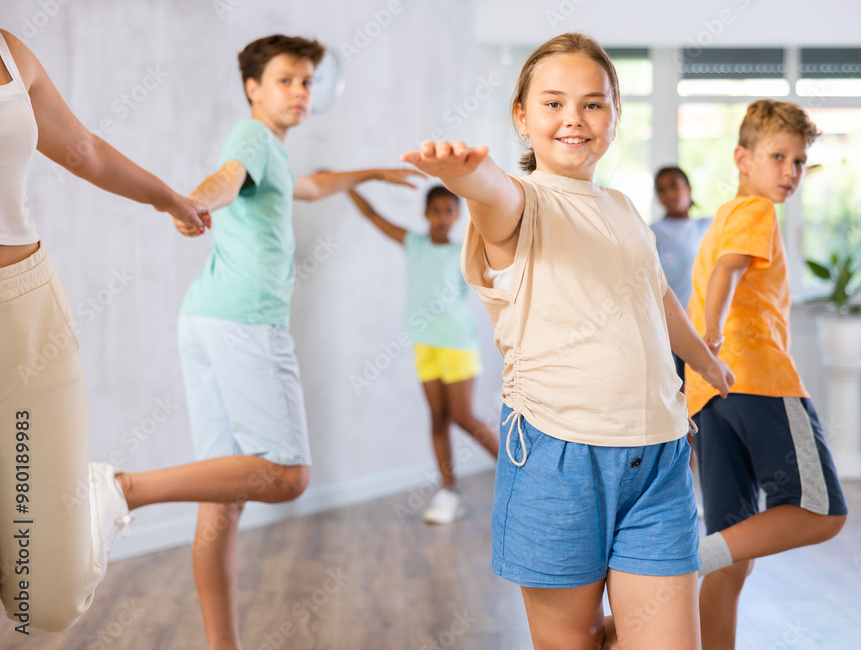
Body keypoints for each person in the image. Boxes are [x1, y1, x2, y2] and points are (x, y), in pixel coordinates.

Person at [402, 32, 734, 650]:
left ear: (613, 116)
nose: (574, 119)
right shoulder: (520, 202)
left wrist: (705, 360)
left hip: (661, 459)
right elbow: (496, 198)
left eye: (593, 103)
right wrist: (471, 178)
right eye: (553, 103)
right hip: (559, 459)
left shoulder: (625, 208)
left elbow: (657, 297)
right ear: (521, 116)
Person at [166, 34, 422, 649]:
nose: (301, 91)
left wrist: (371, 172)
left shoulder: (276, 153)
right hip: (246, 323)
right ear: (254, 88)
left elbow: (308, 186)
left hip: (205, 318)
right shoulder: (253, 138)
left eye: (307, 81)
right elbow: (227, 178)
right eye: (286, 80)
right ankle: (124, 489)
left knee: (221, 501)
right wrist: (196, 202)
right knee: (287, 476)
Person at [0, 27, 208, 633]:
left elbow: (83, 149)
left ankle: (106, 492)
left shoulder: (10, 52)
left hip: (27, 315)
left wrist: (168, 199)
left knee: (47, 599)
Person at [685, 99, 849, 649]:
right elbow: (728, 275)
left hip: (710, 395)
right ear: (742, 158)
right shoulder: (756, 212)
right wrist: (711, 335)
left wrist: (702, 360)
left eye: (799, 162)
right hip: (756, 378)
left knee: (732, 559)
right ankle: (686, 559)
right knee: (820, 511)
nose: (789, 172)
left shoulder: (720, 219)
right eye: (777, 157)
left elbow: (715, 274)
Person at [347, 186, 499, 524]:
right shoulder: (414, 245)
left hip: (457, 344)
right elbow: (372, 215)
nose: (442, 218)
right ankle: (450, 492)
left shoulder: (465, 252)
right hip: (424, 344)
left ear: (457, 216)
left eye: (449, 211)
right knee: (438, 419)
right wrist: (346, 184)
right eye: (436, 211)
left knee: (464, 417)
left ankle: (519, 479)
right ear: (425, 214)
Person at [650, 166, 712, 386]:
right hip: (671, 329)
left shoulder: (707, 226)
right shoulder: (653, 233)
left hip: (705, 326)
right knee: (679, 392)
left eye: (675, 186)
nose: (669, 194)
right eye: (662, 190)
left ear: (689, 188)